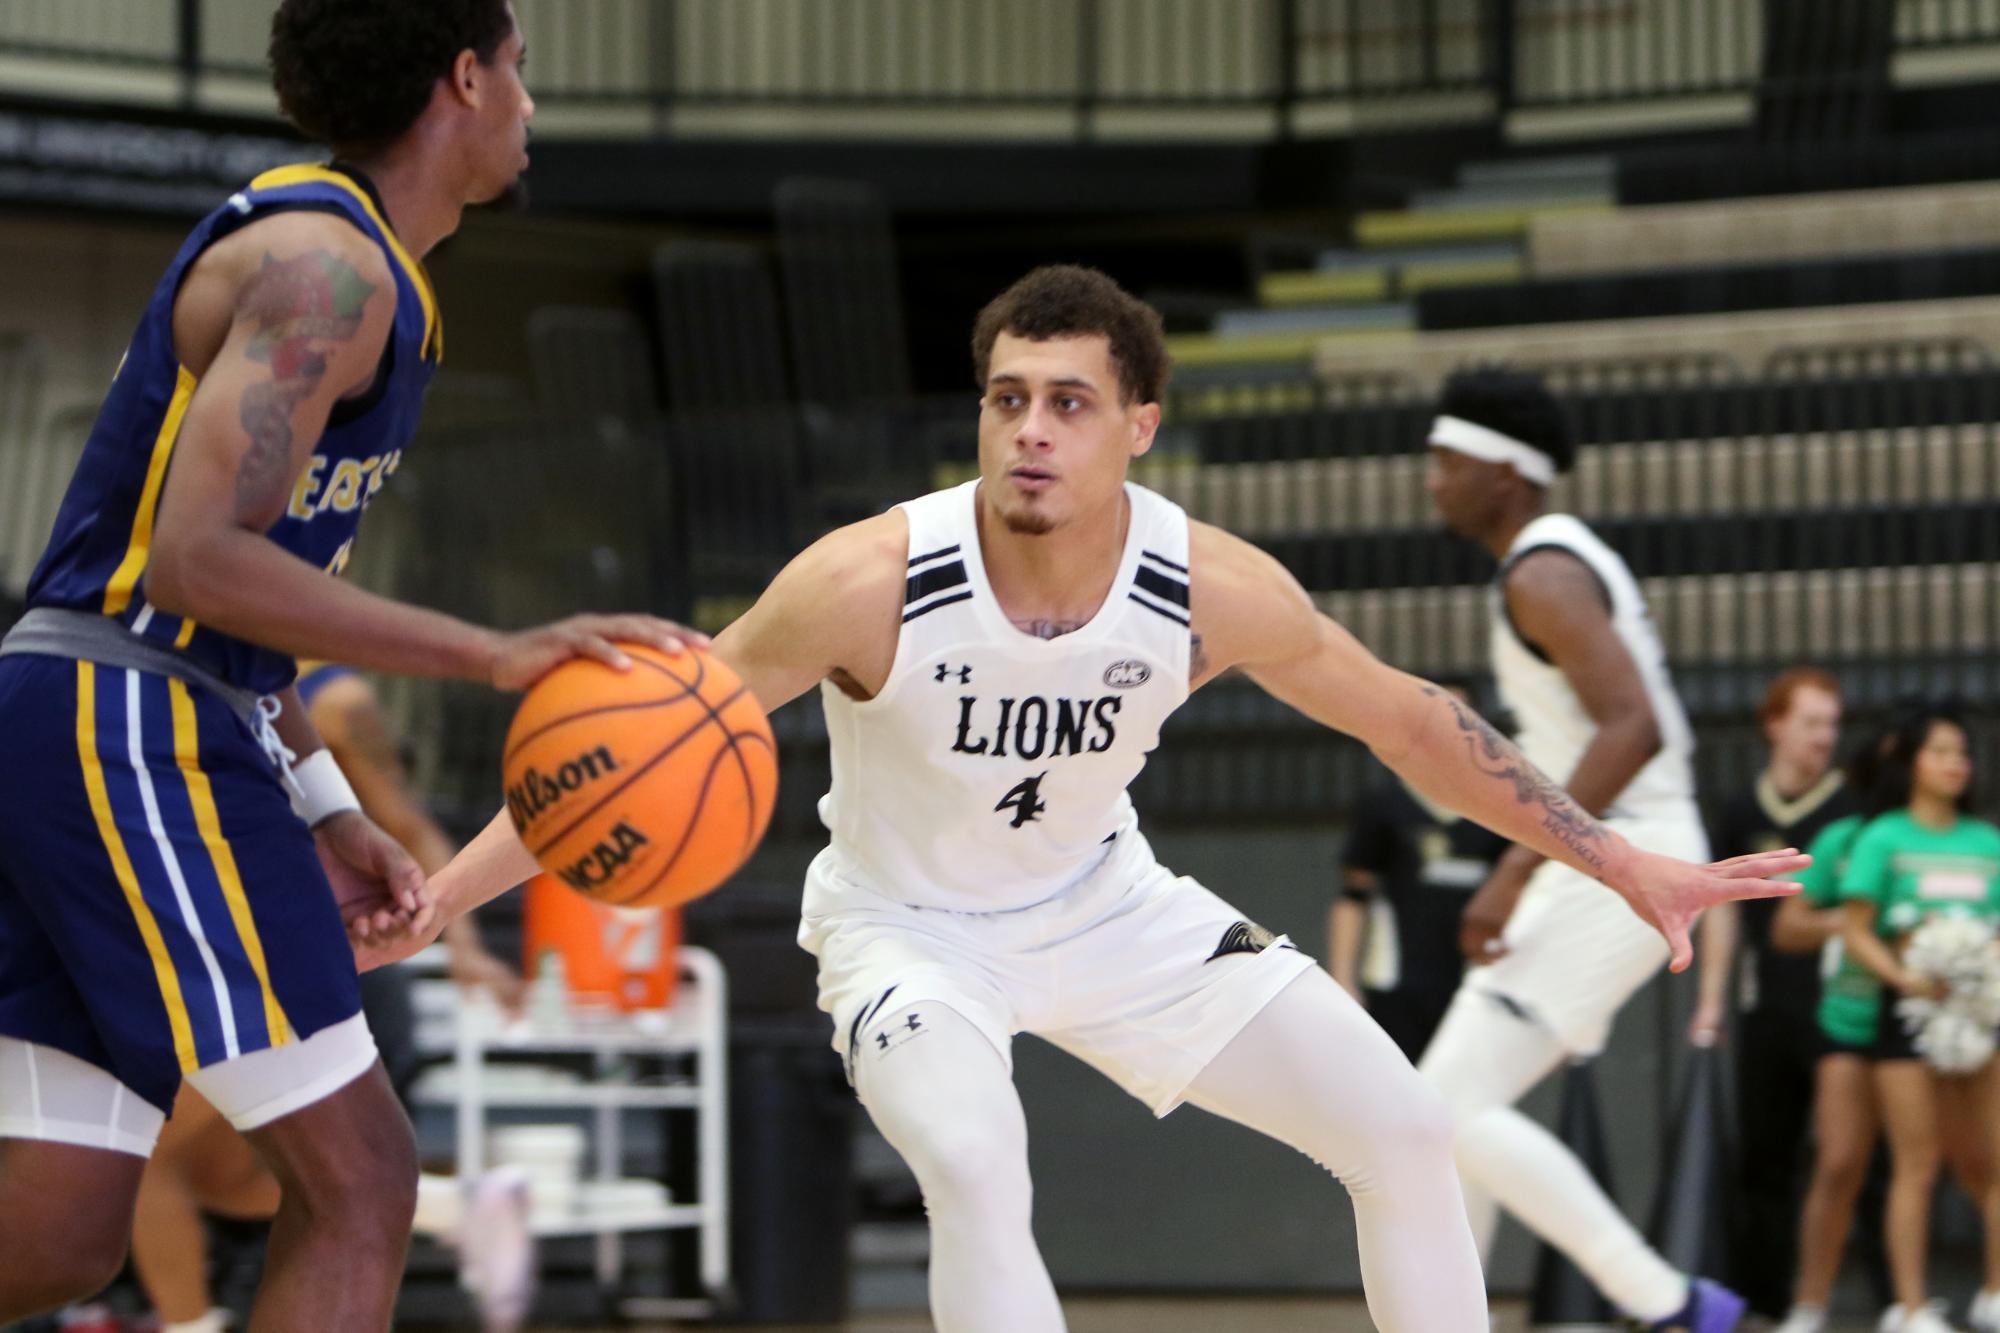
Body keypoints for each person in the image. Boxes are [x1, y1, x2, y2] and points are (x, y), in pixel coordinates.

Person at [375, 266, 1804, 1333]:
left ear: (1139, 426)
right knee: (978, 1158)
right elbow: (628, 760)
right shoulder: (866, 580)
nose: (1030, 433)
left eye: (1068, 403)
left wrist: (1617, 859)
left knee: (1407, 1130)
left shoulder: (1210, 586)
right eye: (1008, 400)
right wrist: (442, 897)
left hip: (1112, 909)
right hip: (907, 931)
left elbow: (1416, 728)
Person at [0, 3, 696, 1327]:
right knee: (361, 1180)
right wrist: (495, 651)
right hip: (126, 714)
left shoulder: (362, 273)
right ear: (465, 76)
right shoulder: (330, 273)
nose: (531, 108)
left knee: (56, 1230)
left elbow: (256, 622)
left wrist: (334, 810)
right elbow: (198, 564)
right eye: (523, 72)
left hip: (126, 711)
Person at [1415, 367, 1748, 1329]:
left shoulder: (1542, 572)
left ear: (1507, 477)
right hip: (1609, 857)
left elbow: (1631, 726)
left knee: (1436, 1115)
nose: (1431, 480)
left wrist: (1516, 870)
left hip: (1625, 857)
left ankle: (1671, 1301)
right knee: (1436, 1124)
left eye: (1448, 461)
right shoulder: (1551, 561)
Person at [125, 664, 534, 1333]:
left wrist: (464, 944)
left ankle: (188, 1321)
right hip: (238, 958)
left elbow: (412, 826)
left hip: (333, 956)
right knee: (216, 1176)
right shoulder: (177, 670)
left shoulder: (335, 701)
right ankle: (469, 1207)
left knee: (148, 1151)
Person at [1839, 706, 2000, 1333]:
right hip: (1906, 1015)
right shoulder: (1882, 838)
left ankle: (1993, 1292)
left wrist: (1983, 967)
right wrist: (1904, 977)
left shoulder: (1987, 842)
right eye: (1941, 751)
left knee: (1988, 1158)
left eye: (1962, 752)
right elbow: (1856, 929)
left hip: (1981, 1012)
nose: (1956, 763)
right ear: (1912, 763)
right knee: (1917, 1162)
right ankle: (1910, 1308)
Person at [1701, 668, 1855, 1318]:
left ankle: (1864, 1298)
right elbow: (1721, 909)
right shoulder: (1741, 810)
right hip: (1766, 1006)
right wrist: (1711, 1004)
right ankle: (1758, 1301)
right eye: (1811, 722)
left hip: (1842, 1005)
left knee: (1850, 1157)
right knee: (1765, 1153)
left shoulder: (1851, 809)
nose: (1825, 737)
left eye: (1832, 724)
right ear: (1774, 724)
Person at [1768, 724, 1894, 1333]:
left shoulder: (1962, 841)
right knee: (1840, 1160)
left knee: (1932, 1167)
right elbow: (1788, 926)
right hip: (1850, 1017)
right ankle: (1810, 1302)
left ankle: (1910, 1303)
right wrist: (1854, 924)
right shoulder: (1845, 839)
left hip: (1933, 1027)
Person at [1328, 681, 1507, 1060]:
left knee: (1468, 1101)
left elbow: (1523, 899)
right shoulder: (1386, 804)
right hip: (1397, 980)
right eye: (1434, 717)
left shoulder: (1501, 807)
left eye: (1458, 717)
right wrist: (1344, 980)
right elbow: (1352, 897)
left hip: (1476, 984)